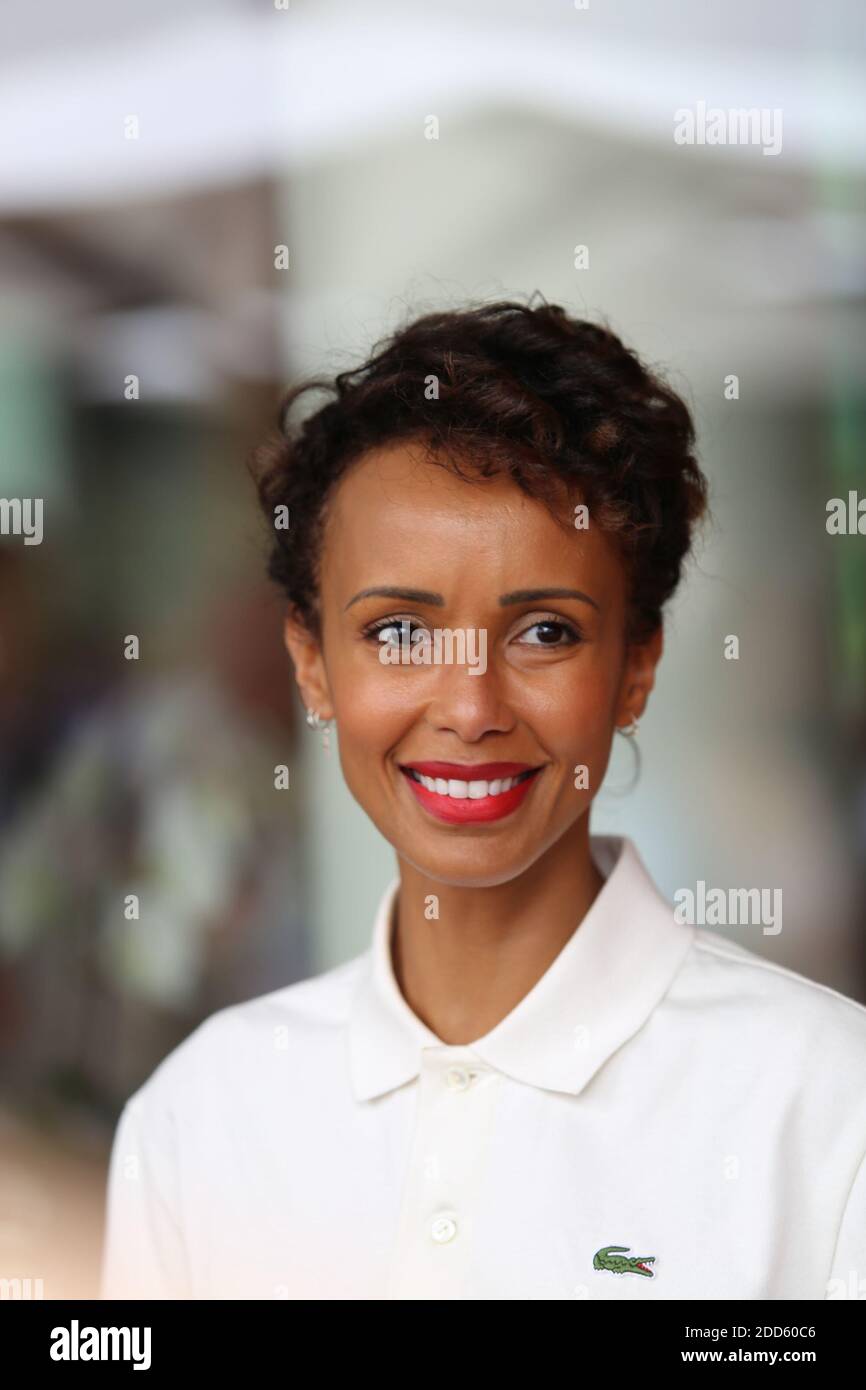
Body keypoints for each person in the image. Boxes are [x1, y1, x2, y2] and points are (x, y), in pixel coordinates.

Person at [100, 298, 866, 1300]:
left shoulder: (823, 1105)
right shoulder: (201, 1117)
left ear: (635, 665)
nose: (470, 707)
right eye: (398, 632)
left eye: (544, 631)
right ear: (312, 662)